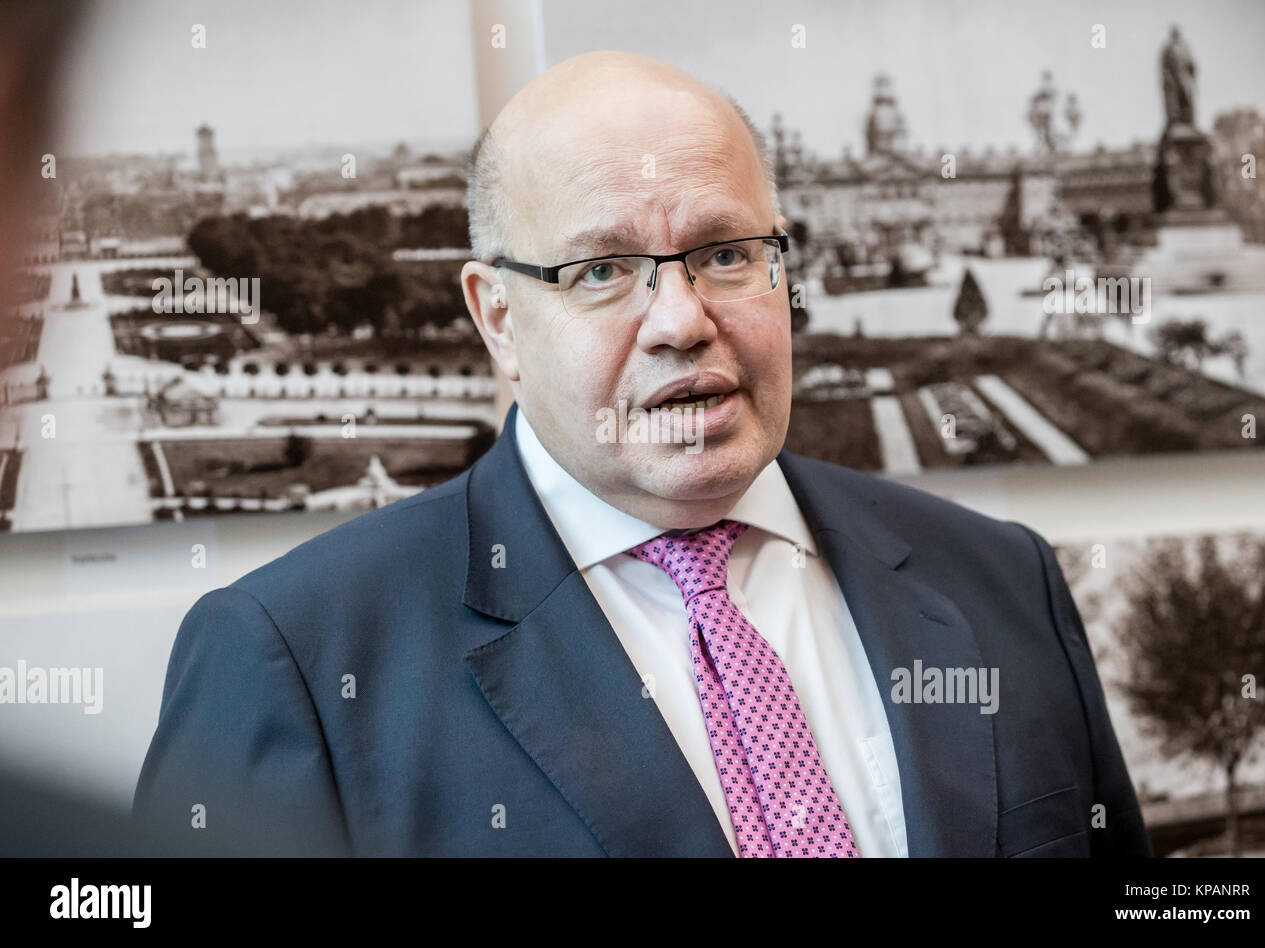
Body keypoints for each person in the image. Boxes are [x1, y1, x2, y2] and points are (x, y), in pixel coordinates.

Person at [133, 51, 1151, 858]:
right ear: (496, 317)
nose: (680, 320)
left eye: (722, 254)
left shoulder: (1003, 582)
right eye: (603, 269)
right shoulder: (295, 665)